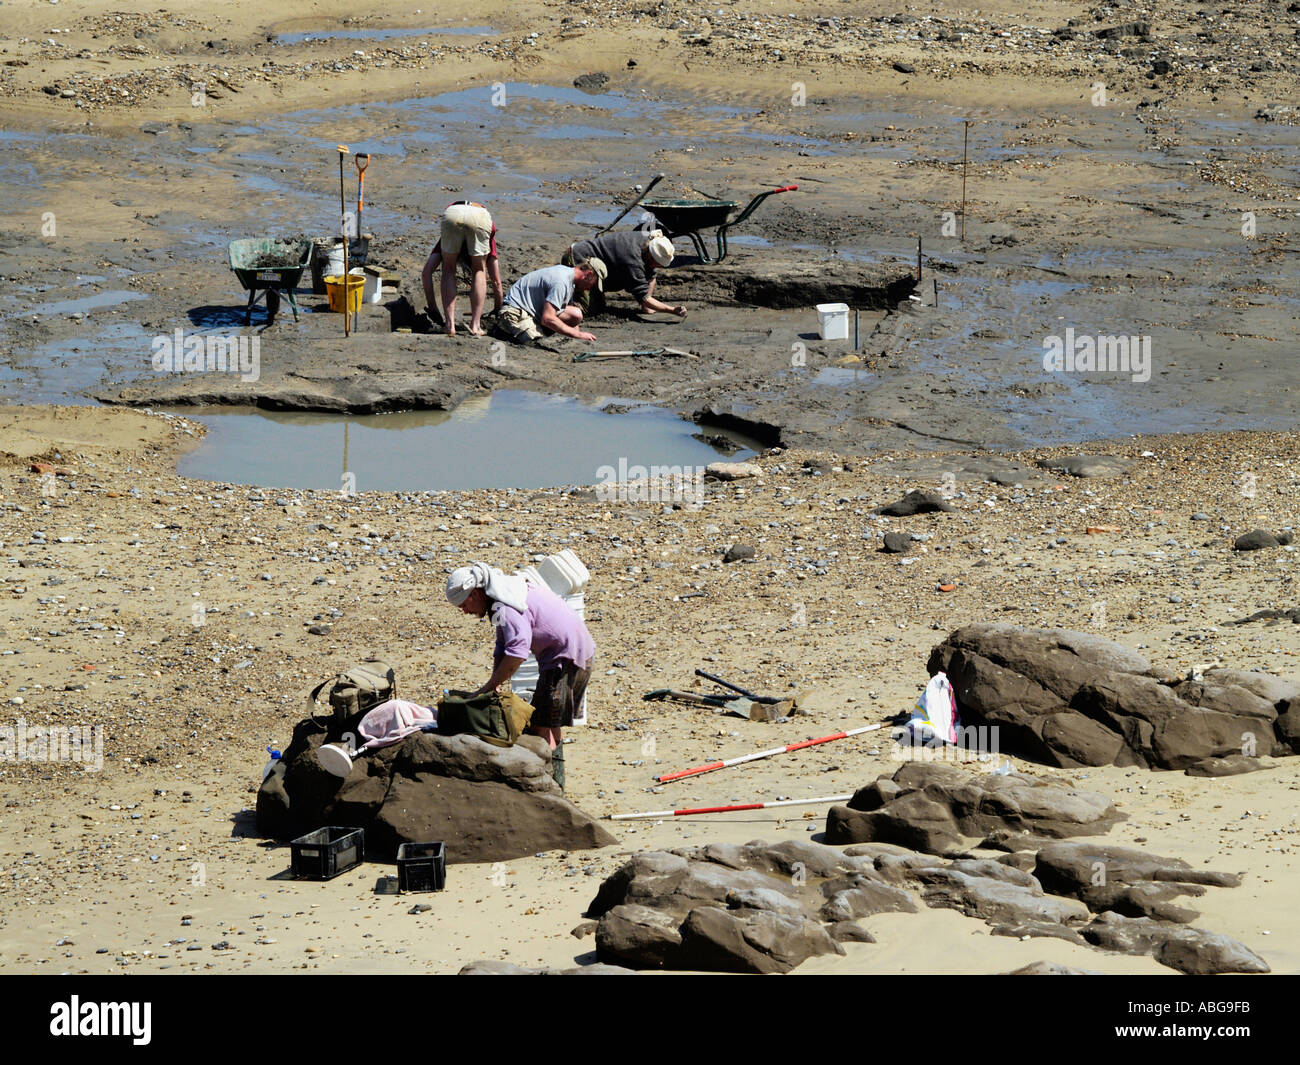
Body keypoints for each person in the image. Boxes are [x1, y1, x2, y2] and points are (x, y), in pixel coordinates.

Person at [445, 562, 595, 790]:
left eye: (464, 605)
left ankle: (551, 788)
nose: (465, 612)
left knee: (539, 726)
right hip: (571, 653)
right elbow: (502, 646)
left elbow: (516, 653)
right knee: (548, 721)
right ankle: (557, 784)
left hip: (566, 658)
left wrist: (489, 687)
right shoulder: (504, 594)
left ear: (475, 593)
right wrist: (495, 683)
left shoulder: (506, 606)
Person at [420, 201, 504, 336]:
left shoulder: (443, 241)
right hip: (480, 217)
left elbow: (426, 273)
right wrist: (498, 308)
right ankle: (475, 326)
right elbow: (497, 281)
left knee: (448, 269)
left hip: (452, 214)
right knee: (479, 270)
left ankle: (449, 326)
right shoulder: (490, 240)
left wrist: (433, 308)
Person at [561, 229, 684, 318]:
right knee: (589, 310)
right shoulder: (632, 259)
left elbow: (651, 276)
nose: (656, 268)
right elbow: (643, 297)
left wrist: (648, 308)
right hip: (578, 260)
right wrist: (672, 310)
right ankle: (556, 309)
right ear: (650, 256)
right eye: (656, 264)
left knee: (600, 306)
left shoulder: (649, 241)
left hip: (599, 265)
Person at [496, 258, 607, 344]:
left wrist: (578, 336)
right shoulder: (562, 281)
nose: (590, 288)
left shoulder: (570, 280)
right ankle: (499, 329)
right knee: (534, 342)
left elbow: (569, 315)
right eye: (594, 284)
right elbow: (548, 318)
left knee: (576, 314)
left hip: (534, 310)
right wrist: (579, 335)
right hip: (515, 311)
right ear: (589, 274)